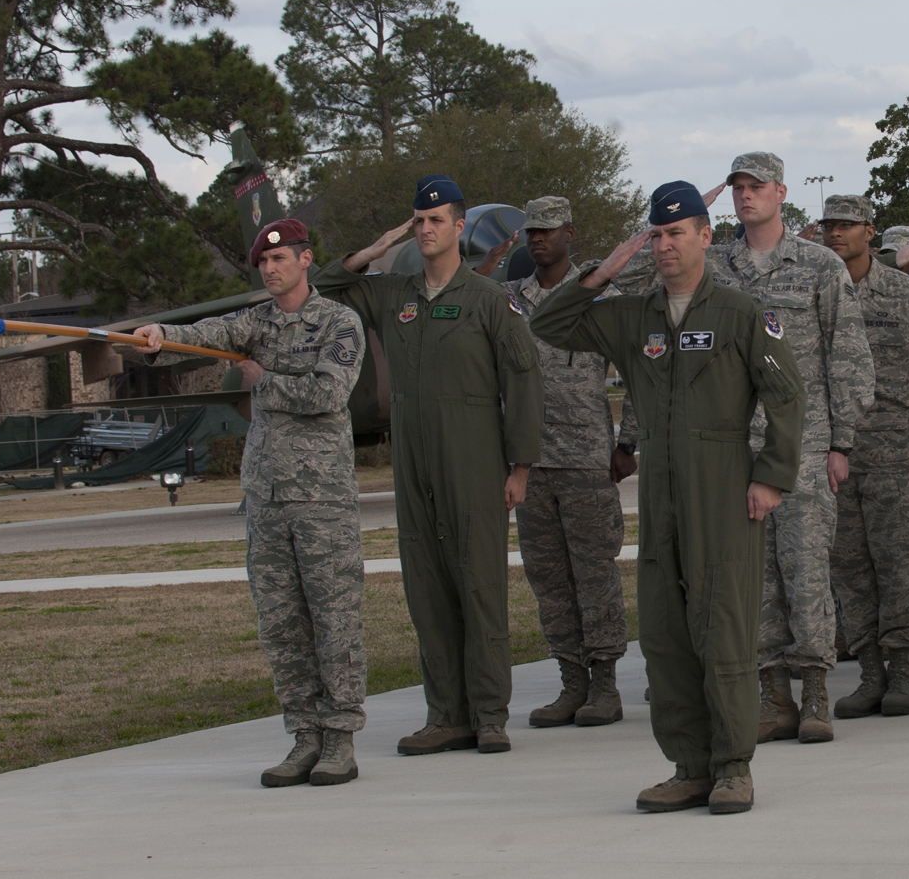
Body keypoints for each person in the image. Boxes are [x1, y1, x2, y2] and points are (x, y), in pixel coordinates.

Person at [532, 181, 804, 814]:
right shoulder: (635, 316)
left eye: (676, 232)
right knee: (665, 630)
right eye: (655, 235)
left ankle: (733, 765)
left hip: (722, 482)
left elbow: (787, 395)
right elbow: (550, 321)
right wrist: (605, 271)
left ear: (706, 236)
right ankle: (689, 765)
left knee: (724, 626)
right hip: (659, 488)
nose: (664, 246)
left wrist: (771, 475)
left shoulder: (740, 312)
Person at [612, 153, 874, 744]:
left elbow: (849, 356)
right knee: (749, 584)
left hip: (800, 447)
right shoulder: (712, 265)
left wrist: (840, 442)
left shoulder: (818, 265)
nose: (746, 196)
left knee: (805, 572)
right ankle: (771, 694)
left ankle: (813, 693)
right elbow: (630, 289)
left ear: (782, 191)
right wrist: (672, 216)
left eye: (757, 186)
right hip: (727, 452)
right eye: (737, 188)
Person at [135, 220, 367, 787]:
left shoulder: (339, 322)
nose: (269, 268)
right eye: (263, 262)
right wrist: (158, 336)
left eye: (280, 258)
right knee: (281, 623)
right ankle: (303, 736)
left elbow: (329, 393)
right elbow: (208, 334)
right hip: (265, 497)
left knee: (333, 618)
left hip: (321, 499)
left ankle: (339, 738)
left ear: (306, 259)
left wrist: (262, 380)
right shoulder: (255, 322)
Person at [320, 176, 545, 756]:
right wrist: (370, 252)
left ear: (459, 226)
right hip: (412, 461)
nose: (424, 230)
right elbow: (328, 287)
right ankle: (446, 713)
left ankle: (490, 715)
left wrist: (519, 465)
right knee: (427, 590)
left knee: (480, 587)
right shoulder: (394, 294)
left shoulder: (490, 301)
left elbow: (523, 380)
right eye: (418, 221)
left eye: (435, 220)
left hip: (473, 457)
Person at [816, 195, 909, 718]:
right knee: (849, 571)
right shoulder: (812, 296)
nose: (836, 233)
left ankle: (902, 671)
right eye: (829, 225)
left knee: (897, 564)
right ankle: (870, 674)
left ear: (869, 231)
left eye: (847, 225)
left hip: (891, 455)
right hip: (830, 458)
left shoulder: (907, 294)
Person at [504, 197, 638, 730]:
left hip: (587, 460)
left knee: (594, 573)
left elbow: (638, 369)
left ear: (569, 233)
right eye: (531, 231)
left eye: (547, 231)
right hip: (529, 463)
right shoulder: (510, 300)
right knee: (548, 578)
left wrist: (627, 444)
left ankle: (604, 684)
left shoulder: (601, 296)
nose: (537, 239)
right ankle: (570, 682)